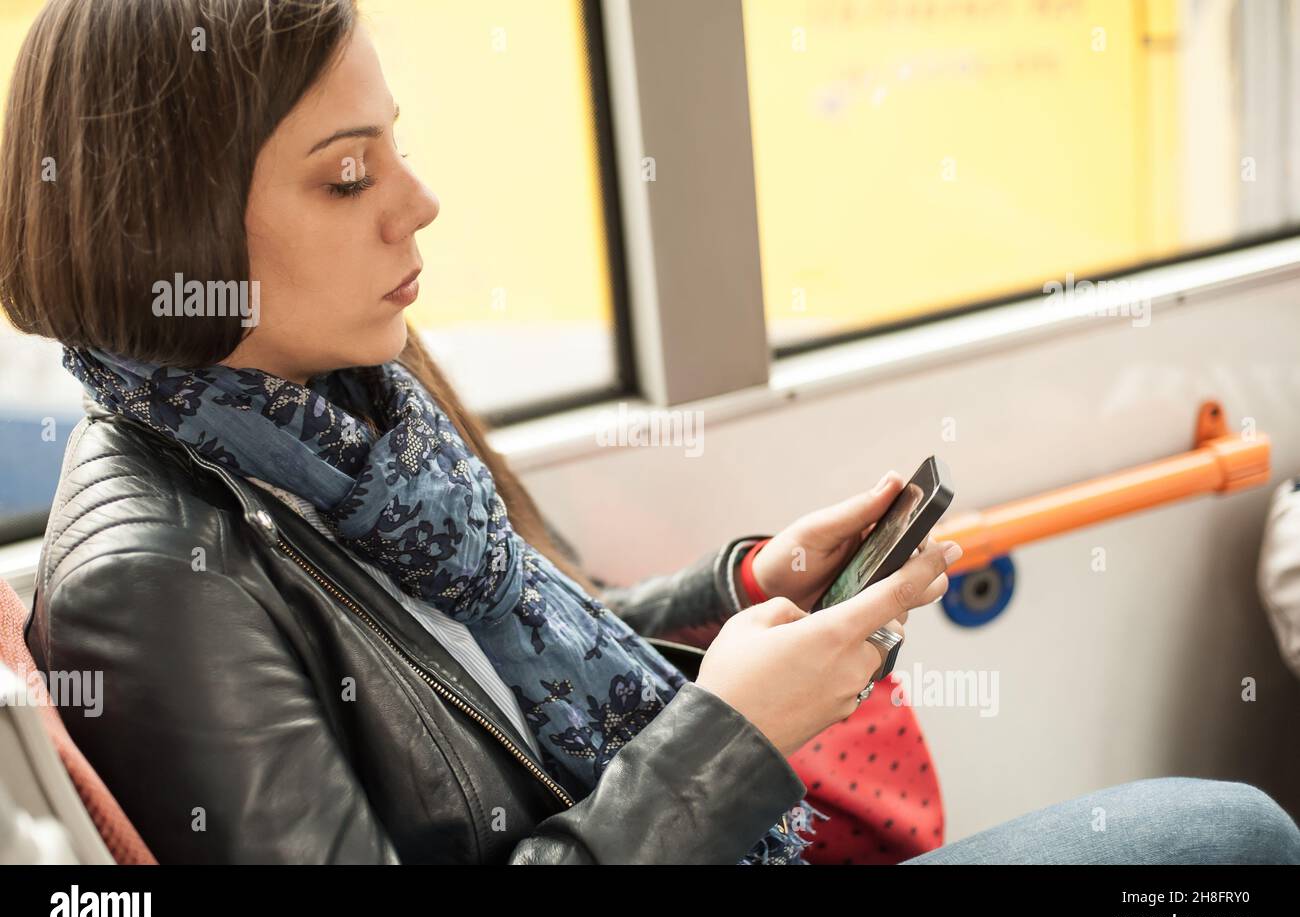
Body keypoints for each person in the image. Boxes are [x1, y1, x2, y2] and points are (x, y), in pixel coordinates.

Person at [2, 0, 1295, 865]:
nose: (420, 203)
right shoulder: (153, 588)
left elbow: (500, 648)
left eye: (397, 150)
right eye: (349, 176)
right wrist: (723, 742)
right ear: (169, 229)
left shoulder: (335, 398)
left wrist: (746, 585)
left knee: (1222, 837)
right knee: (1226, 840)